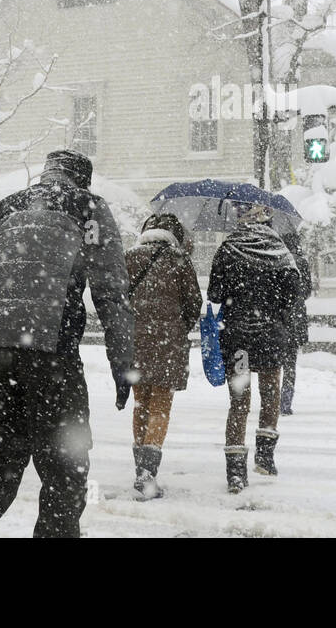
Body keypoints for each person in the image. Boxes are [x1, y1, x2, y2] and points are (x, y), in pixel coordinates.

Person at [0, 149, 134, 538]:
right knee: (65, 466)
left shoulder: (4, 209)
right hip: (49, 347)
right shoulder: (88, 206)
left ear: (45, 175)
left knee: (0, 464)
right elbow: (111, 289)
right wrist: (122, 362)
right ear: (83, 180)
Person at [209, 203, 305, 493]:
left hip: (237, 337)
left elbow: (215, 293)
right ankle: (265, 457)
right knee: (270, 394)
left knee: (239, 403)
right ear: (268, 219)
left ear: (240, 218)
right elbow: (295, 294)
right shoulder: (280, 250)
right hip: (271, 336)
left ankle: (236, 473)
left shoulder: (228, 248)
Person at [125, 212, 202, 500]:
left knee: (140, 403)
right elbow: (194, 302)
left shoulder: (128, 257)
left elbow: (116, 297)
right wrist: (178, 326)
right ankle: (147, 473)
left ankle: (139, 468)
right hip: (168, 344)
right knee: (160, 406)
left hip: (134, 340)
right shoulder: (179, 260)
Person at [279, 231, 312, 415]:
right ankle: (286, 402)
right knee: (290, 365)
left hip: (278, 319)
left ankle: (272, 400)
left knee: (274, 364)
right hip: (296, 318)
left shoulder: (277, 260)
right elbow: (307, 292)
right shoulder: (301, 262)